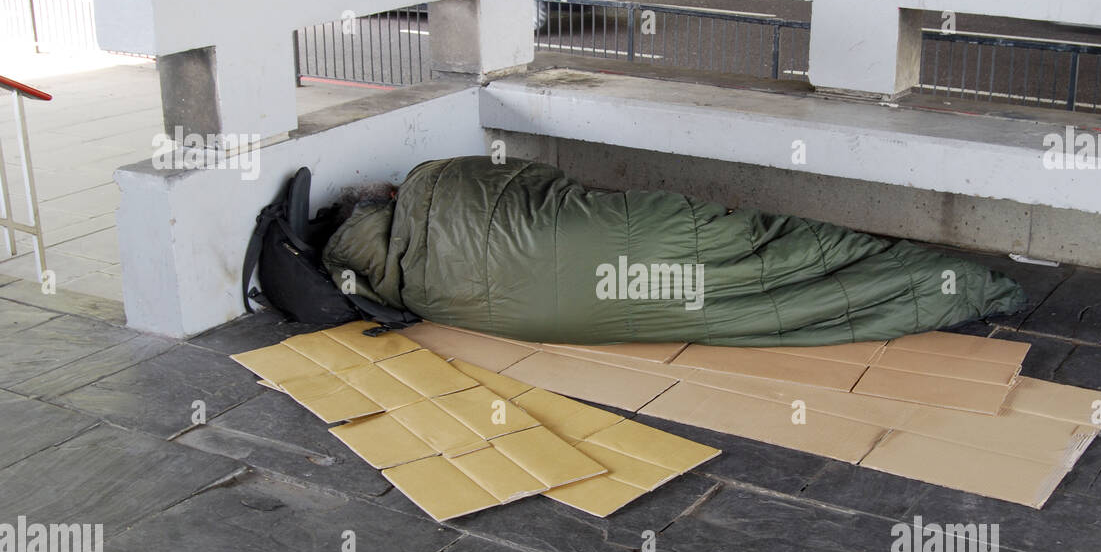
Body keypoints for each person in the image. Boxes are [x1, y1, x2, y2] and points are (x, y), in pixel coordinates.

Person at [323, 156, 1026, 346]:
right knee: (765, 251)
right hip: (631, 236)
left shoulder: (418, 296)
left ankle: (952, 285)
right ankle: (967, 284)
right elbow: (527, 181)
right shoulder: (439, 185)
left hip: (608, 285)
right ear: (382, 203)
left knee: (761, 292)